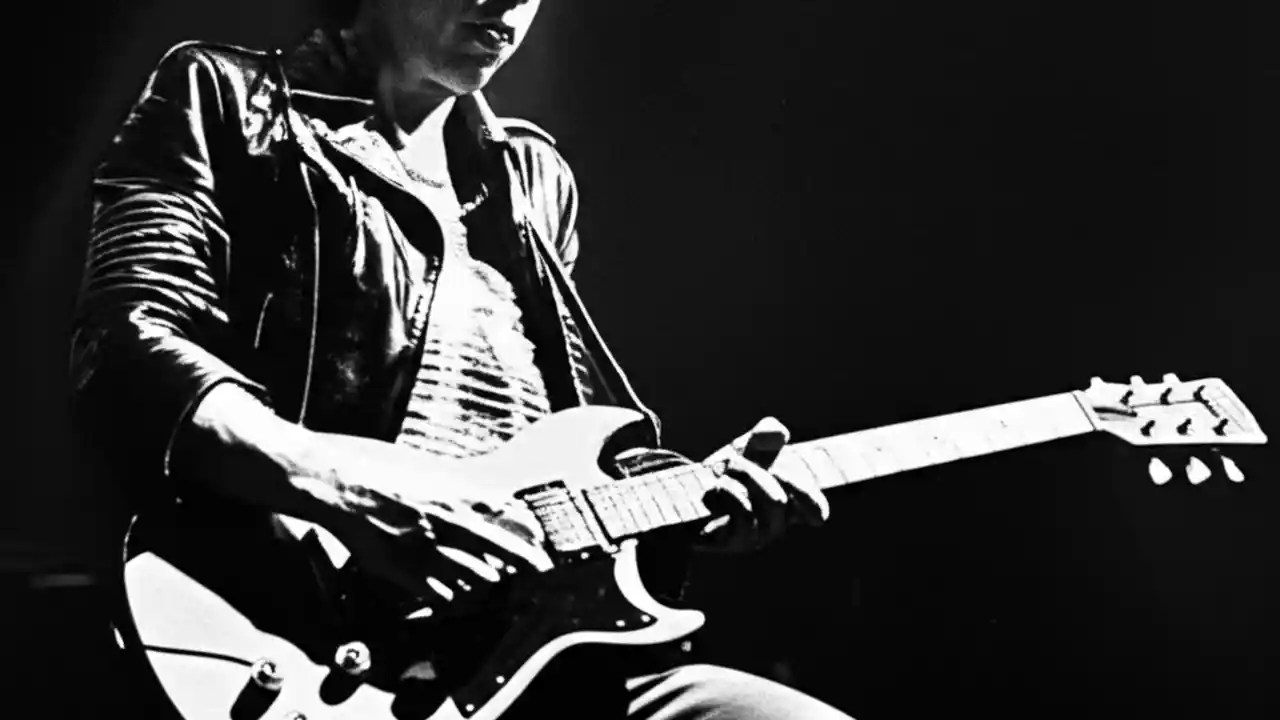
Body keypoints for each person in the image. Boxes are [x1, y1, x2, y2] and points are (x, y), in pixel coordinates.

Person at [70, 1, 853, 717]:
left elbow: (550, 446)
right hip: (308, 636)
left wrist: (685, 500)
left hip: (529, 655)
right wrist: (344, 487)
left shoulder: (531, 179)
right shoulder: (228, 98)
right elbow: (126, 341)